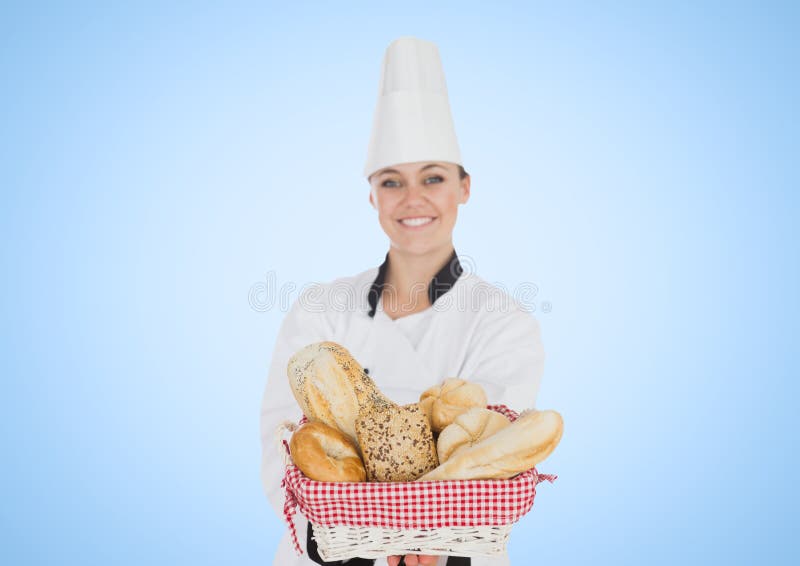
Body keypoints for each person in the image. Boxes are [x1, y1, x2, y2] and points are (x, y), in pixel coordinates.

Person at [260, 37, 546, 566]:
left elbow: (494, 458)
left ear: (464, 187)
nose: (412, 200)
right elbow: (279, 445)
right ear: (372, 195)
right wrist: (347, 542)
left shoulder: (505, 322)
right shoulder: (319, 309)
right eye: (392, 182)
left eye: (433, 178)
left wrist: (431, 546)